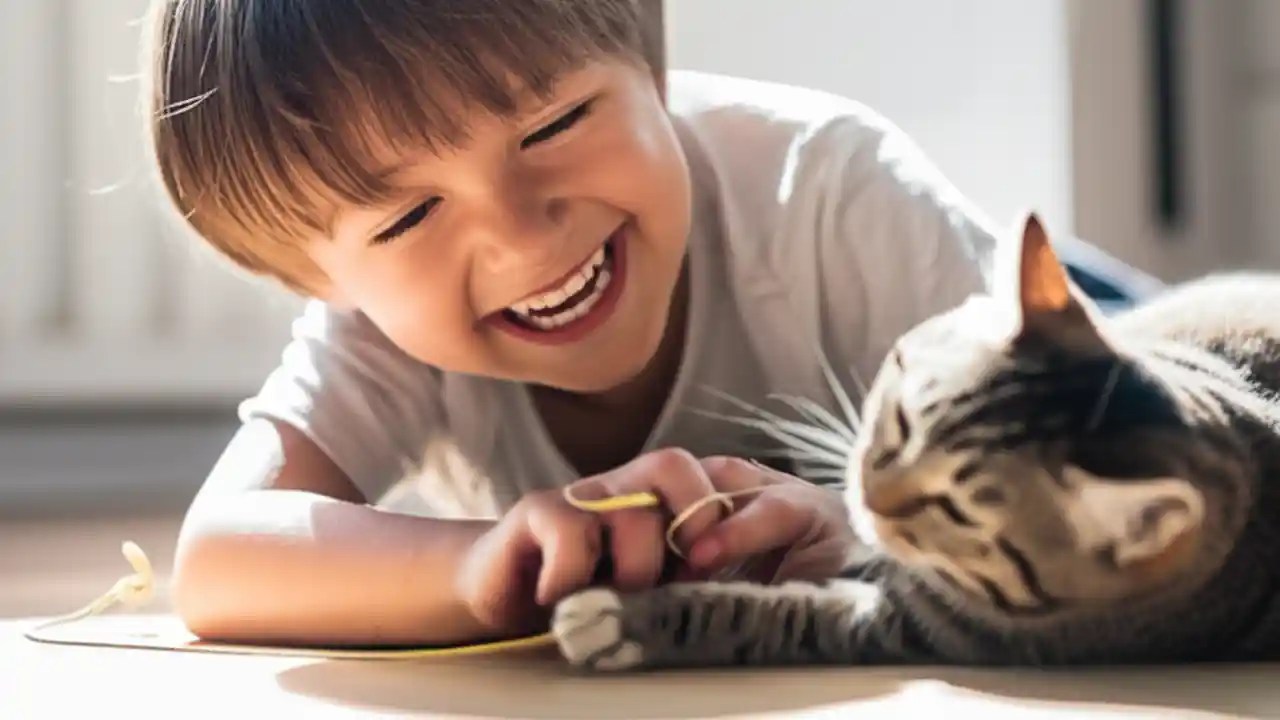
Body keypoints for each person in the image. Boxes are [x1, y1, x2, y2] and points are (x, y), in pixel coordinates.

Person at [143, 0, 1104, 648]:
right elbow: (221, 558)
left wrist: (867, 537)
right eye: (408, 217)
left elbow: (1082, 444)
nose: (521, 234)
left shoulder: (826, 190)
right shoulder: (378, 328)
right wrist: (482, 565)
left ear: (651, 65)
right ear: (315, 278)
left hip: (1091, 317)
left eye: (553, 126)